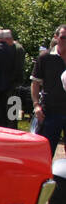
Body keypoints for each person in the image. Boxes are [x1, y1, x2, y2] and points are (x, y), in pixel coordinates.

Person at [31, 25, 66, 156]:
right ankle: (43, 176)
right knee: (45, 151)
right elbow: (35, 83)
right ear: (56, 38)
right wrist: (36, 105)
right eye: (63, 37)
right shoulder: (45, 58)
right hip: (51, 111)